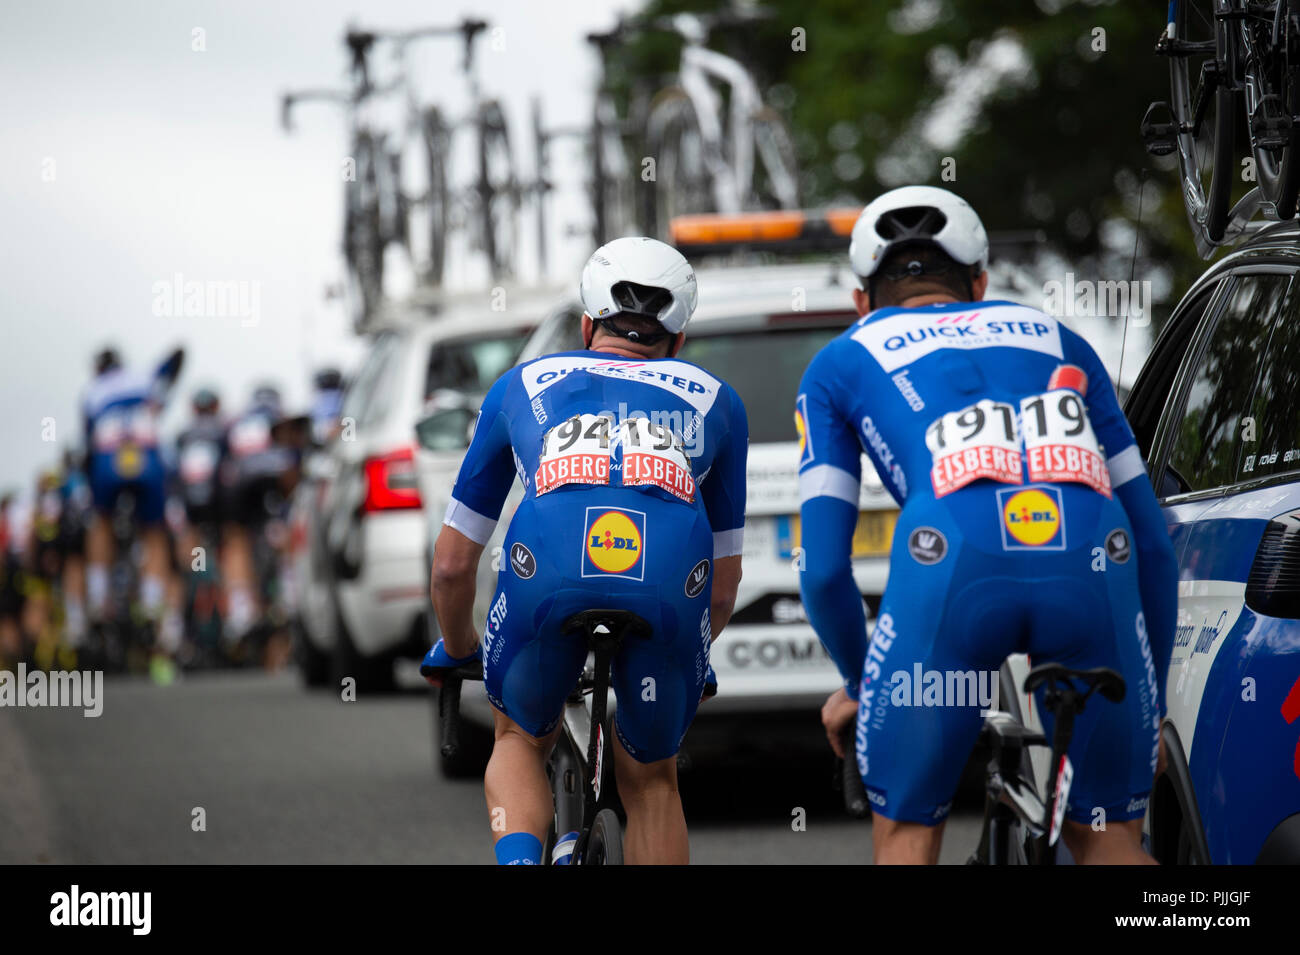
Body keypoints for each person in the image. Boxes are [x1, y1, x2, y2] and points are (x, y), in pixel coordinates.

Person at [796, 186, 1177, 865]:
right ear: (980, 283)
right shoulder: (1060, 338)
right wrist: (1152, 698)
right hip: (1091, 560)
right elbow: (1152, 542)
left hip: (951, 570)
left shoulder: (841, 358)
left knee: (908, 836)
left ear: (862, 300)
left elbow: (824, 571)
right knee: (1109, 840)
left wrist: (861, 685)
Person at [423, 237, 748, 865]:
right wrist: (693, 649)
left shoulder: (520, 385)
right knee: (653, 779)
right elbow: (726, 586)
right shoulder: (717, 398)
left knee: (518, 735)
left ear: (585, 325)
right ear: (678, 341)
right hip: (668, 583)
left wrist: (460, 648)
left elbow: (452, 563)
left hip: (547, 572)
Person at [82, 345, 184, 657]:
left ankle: (99, 601)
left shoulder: (91, 391)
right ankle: (152, 604)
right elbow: (176, 357)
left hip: (108, 456)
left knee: (100, 521)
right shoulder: (143, 376)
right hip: (146, 455)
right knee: (154, 531)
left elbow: (87, 441)